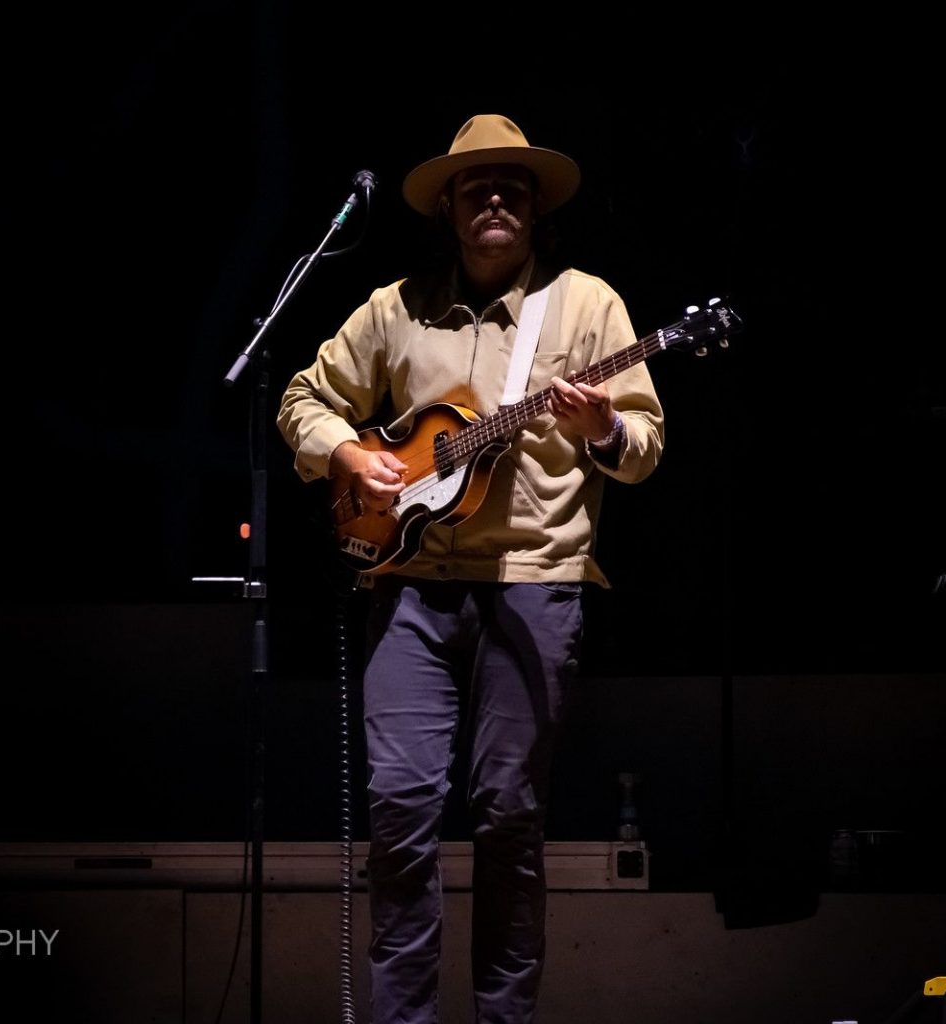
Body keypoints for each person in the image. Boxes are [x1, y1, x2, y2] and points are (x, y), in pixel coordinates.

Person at [277, 114, 664, 1023]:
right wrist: (348, 457)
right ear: (448, 208)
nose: (496, 198)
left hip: (532, 583)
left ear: (536, 211)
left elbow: (643, 445)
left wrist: (599, 427)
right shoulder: (394, 306)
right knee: (401, 816)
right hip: (409, 588)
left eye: (515, 187)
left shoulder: (586, 305)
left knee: (507, 820)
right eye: (476, 186)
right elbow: (305, 396)